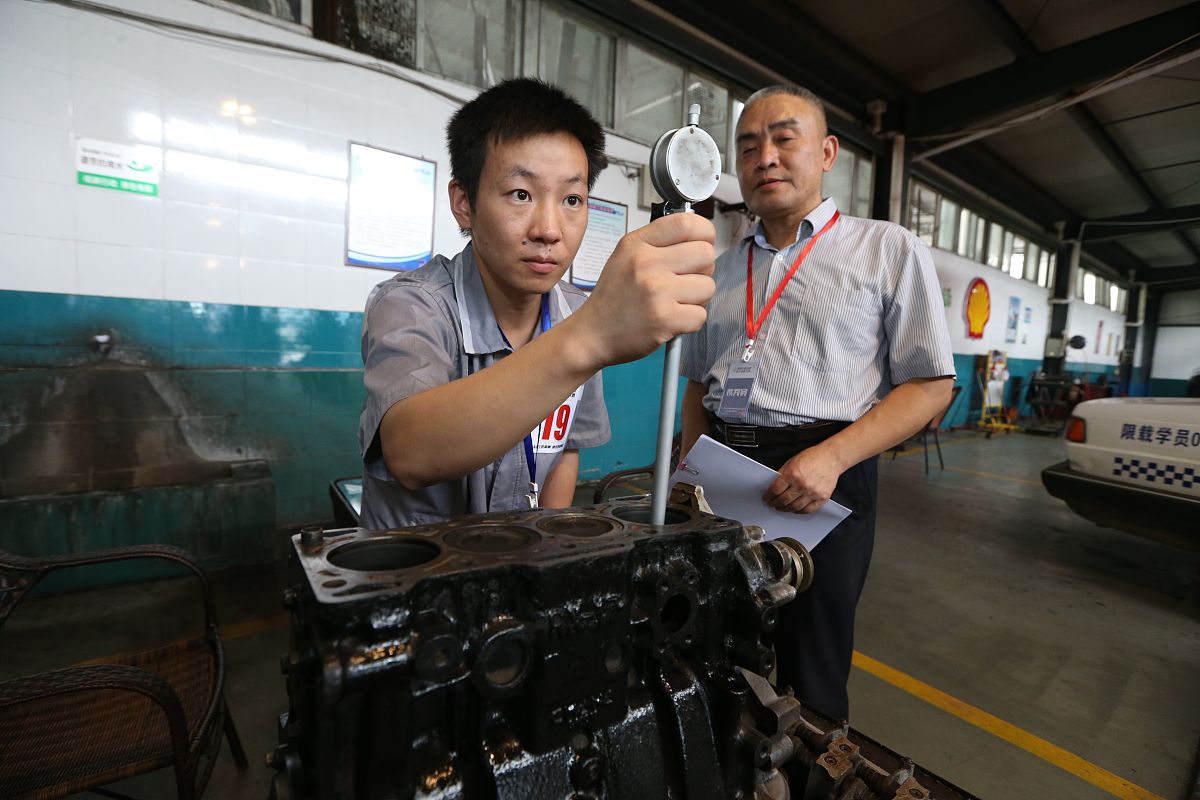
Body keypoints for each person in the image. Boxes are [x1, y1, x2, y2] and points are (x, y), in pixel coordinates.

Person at [679, 85, 955, 720]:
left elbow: (931, 385)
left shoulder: (887, 250)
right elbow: (698, 384)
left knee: (812, 667)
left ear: (827, 152)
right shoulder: (720, 271)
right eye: (748, 147)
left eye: (783, 138)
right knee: (713, 647)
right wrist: (692, 468)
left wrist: (830, 459)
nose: (764, 158)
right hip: (723, 469)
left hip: (828, 476)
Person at [358, 78, 716, 529]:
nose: (549, 229)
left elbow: (565, 452)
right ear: (464, 203)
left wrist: (547, 549)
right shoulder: (412, 305)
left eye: (572, 199)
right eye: (521, 194)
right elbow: (409, 450)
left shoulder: (578, 313)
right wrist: (590, 337)